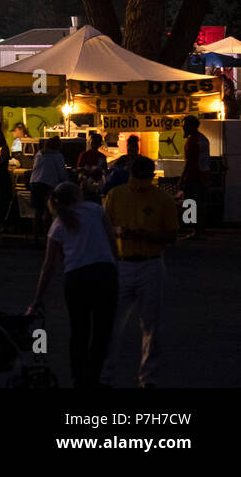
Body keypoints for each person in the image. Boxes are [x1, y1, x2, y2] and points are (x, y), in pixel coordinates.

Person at [28, 181, 118, 388]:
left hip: (77, 277)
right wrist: (116, 268)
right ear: (78, 194)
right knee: (102, 331)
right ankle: (94, 376)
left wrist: (38, 299)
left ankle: (79, 376)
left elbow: (49, 266)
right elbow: (112, 240)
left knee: (79, 330)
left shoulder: (58, 225)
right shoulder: (95, 210)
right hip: (104, 272)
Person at [101, 156, 177, 388]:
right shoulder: (118, 196)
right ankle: (109, 375)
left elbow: (171, 236)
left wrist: (141, 235)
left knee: (148, 325)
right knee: (118, 324)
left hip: (147, 263)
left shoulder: (160, 199)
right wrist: (119, 231)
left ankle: (146, 377)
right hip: (128, 263)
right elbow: (105, 227)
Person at [29, 136, 69, 245]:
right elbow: (62, 173)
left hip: (35, 183)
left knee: (37, 212)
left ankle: (35, 237)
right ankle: (48, 238)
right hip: (48, 184)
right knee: (48, 212)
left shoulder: (39, 154)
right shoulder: (57, 156)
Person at [180, 115, 209, 239]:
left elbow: (190, 162)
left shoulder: (192, 141)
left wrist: (181, 178)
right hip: (203, 176)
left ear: (191, 126)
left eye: (185, 125)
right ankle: (200, 230)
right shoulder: (203, 138)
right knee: (200, 204)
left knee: (191, 203)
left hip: (193, 177)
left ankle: (194, 230)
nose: (183, 128)